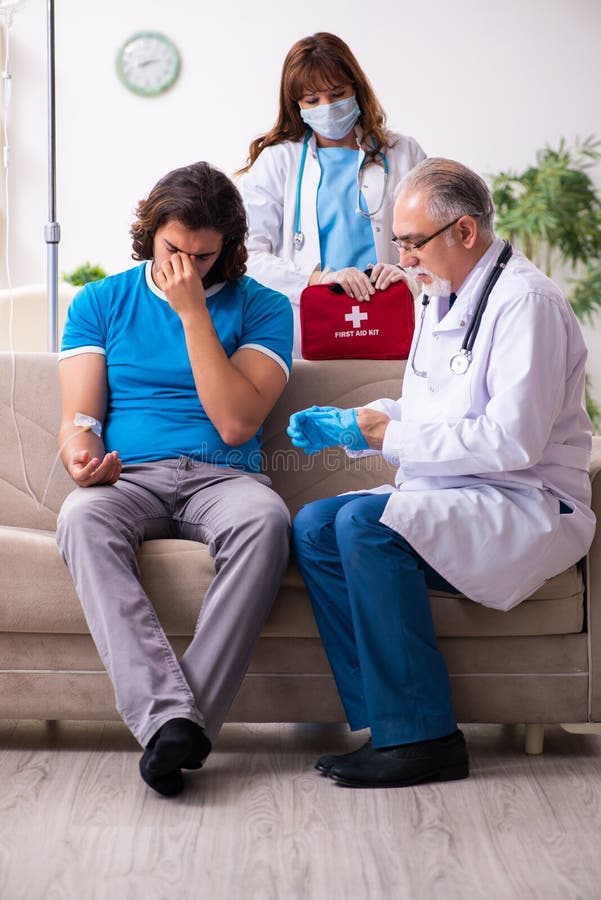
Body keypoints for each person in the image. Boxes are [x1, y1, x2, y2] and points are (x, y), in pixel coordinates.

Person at [288, 157, 596, 788]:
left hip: (527, 500)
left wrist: (388, 436)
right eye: (397, 243)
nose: (401, 258)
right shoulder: (438, 293)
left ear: (463, 231)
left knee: (364, 524)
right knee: (316, 524)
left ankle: (422, 739)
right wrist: (361, 421)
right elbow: (431, 404)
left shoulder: (526, 304)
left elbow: (512, 441)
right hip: (462, 489)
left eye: (411, 242)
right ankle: (383, 716)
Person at [56, 162, 293, 797]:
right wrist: (81, 452)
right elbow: (79, 417)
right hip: (128, 477)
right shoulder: (100, 301)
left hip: (225, 476)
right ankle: (173, 723)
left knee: (267, 523)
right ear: (149, 232)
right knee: (79, 517)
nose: (187, 264)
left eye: (205, 255)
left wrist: (192, 315)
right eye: (174, 250)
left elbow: (238, 421)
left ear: (229, 249)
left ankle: (172, 726)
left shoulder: (266, 309)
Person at [238, 32, 425, 357]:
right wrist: (318, 278)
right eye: (312, 100)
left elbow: (436, 241)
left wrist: (406, 272)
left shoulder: (402, 152)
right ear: (296, 104)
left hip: (394, 319)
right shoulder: (280, 160)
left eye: (337, 94)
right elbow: (246, 256)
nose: (327, 107)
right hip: (307, 327)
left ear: (356, 89)